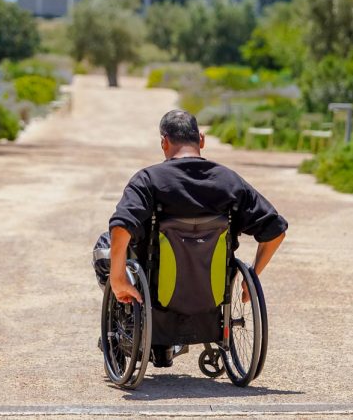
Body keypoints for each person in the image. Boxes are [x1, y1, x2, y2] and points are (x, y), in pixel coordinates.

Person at [94, 109, 287, 366]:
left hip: (157, 292)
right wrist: (251, 276)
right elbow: (275, 230)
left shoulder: (149, 180)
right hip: (211, 295)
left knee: (105, 245)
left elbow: (121, 227)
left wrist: (117, 277)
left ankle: (125, 331)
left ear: (164, 142)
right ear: (202, 139)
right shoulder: (229, 181)